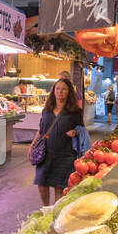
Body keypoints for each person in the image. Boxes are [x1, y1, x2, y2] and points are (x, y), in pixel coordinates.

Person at [30, 76, 85, 206]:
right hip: (45, 153)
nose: (60, 91)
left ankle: (54, 215)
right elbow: (41, 129)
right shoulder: (47, 110)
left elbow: (81, 130)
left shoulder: (75, 112)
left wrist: (75, 132)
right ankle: (46, 209)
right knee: (42, 183)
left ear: (69, 92)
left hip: (65, 154)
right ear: (53, 91)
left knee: (59, 186)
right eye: (58, 88)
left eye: (64, 89)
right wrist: (32, 145)